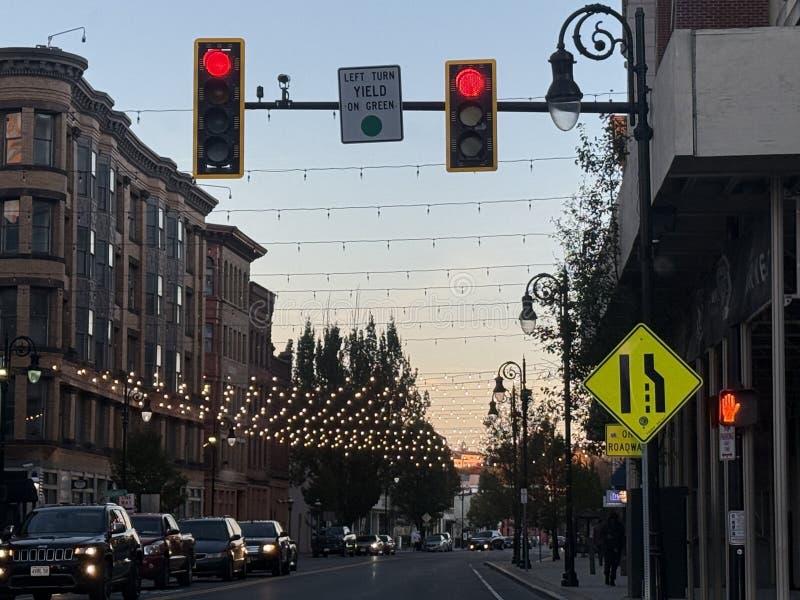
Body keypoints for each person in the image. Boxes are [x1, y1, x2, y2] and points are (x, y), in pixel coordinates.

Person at [603, 512, 625, 586]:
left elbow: (622, 538)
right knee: (608, 564)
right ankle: (607, 577)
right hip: (609, 548)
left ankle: (612, 578)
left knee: (614, 565)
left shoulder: (619, 527)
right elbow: (602, 536)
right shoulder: (607, 526)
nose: (613, 520)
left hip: (615, 548)